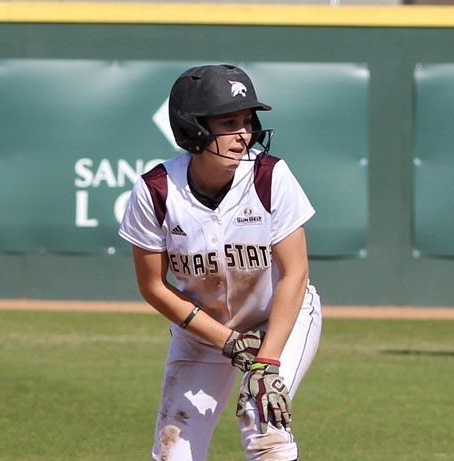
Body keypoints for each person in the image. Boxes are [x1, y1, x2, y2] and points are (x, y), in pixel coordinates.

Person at [118, 64, 321, 461]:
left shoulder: (269, 176)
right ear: (193, 128)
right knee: (173, 451)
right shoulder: (156, 190)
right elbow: (153, 286)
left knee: (261, 419)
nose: (243, 133)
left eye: (247, 121)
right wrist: (226, 340)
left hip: (279, 318)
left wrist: (267, 363)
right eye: (229, 122)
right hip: (202, 330)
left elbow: (295, 274)